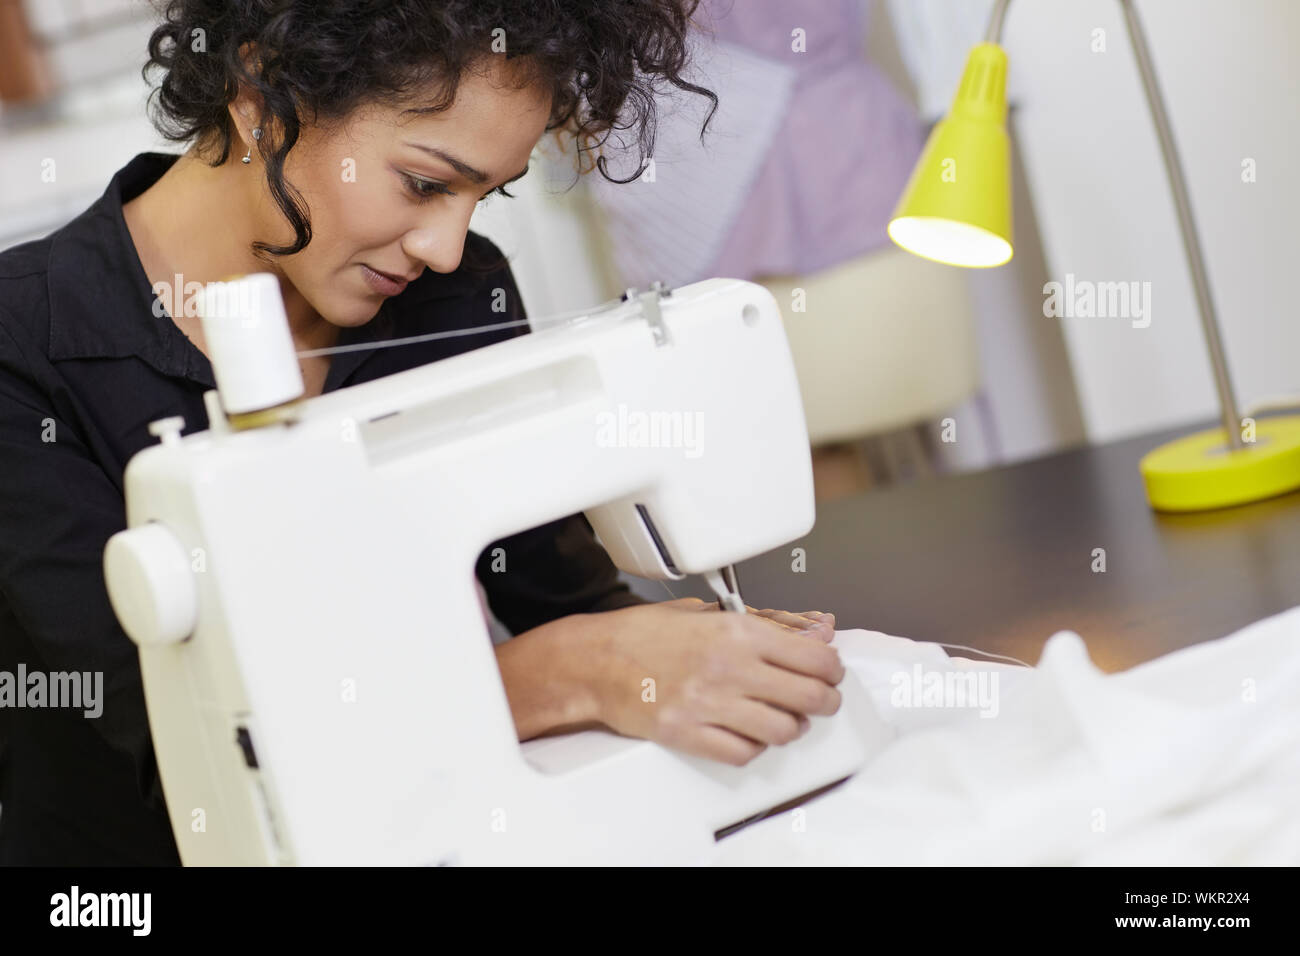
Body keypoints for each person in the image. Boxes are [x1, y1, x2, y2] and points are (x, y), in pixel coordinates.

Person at [0, 0, 845, 865]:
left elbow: (557, 594)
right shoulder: (22, 346)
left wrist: (707, 655)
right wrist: (571, 672)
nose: (447, 247)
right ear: (261, 96)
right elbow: (183, 745)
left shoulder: (456, 295)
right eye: (426, 183)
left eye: (486, 193)